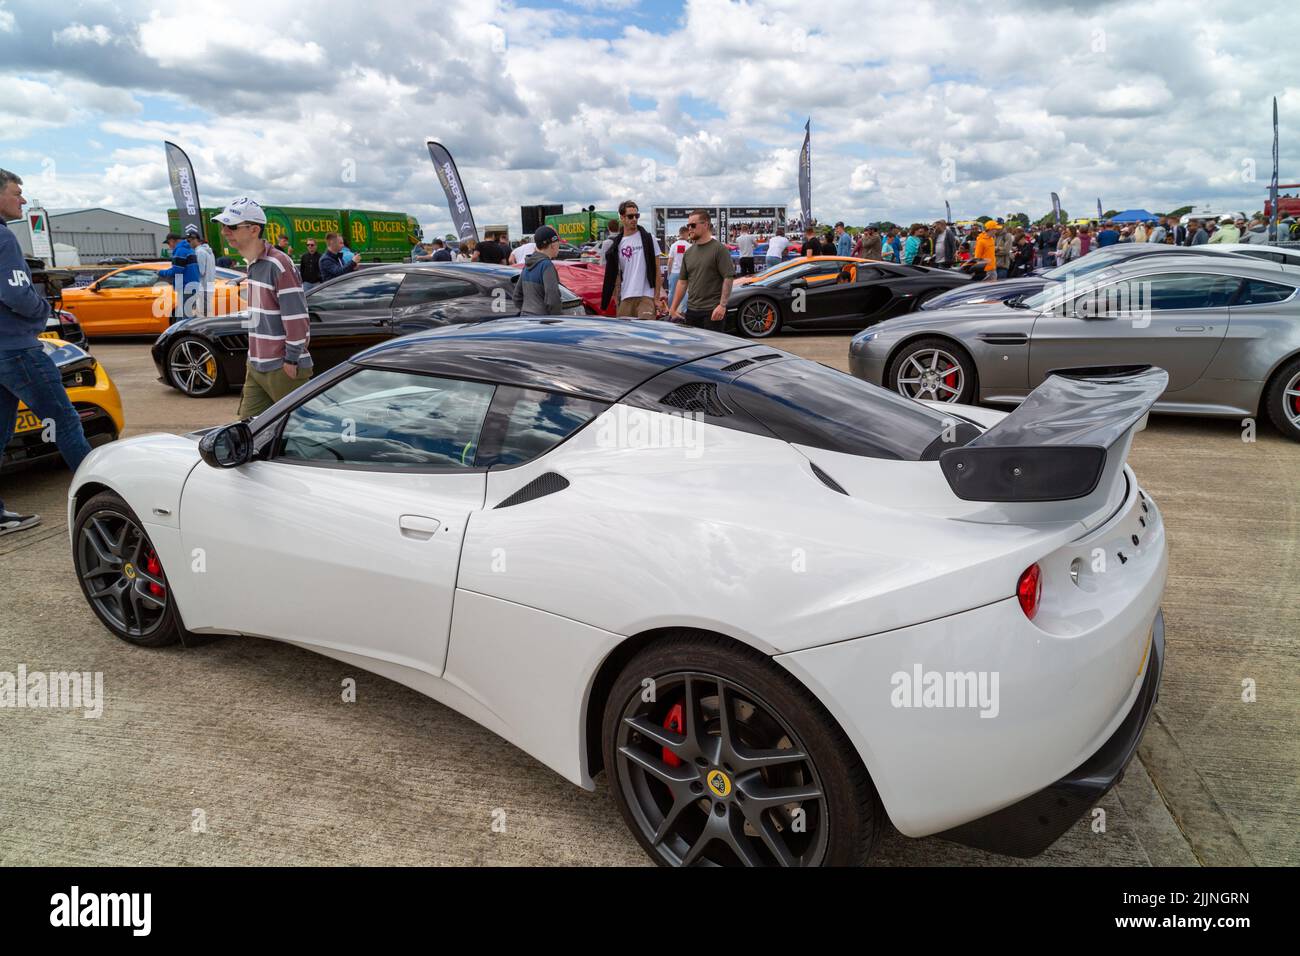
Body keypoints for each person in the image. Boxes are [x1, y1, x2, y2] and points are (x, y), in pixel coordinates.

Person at [0, 168, 94, 536]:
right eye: (16, 192)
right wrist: (43, 312)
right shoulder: (4, 240)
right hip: (18, 350)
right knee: (65, 421)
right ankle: (111, 500)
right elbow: (15, 293)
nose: (22, 200)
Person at [212, 198, 312, 418]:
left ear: (254, 229)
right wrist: (252, 357)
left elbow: (297, 318)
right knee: (247, 431)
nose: (224, 232)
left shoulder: (278, 264)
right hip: (257, 365)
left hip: (282, 367)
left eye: (231, 226)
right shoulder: (254, 264)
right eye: (223, 226)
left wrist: (291, 359)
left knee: (300, 431)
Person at [599, 199, 664, 319]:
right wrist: (615, 298)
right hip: (626, 297)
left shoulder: (649, 239)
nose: (634, 219)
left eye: (637, 216)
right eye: (630, 216)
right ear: (622, 218)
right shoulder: (617, 245)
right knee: (625, 335)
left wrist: (656, 297)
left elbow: (657, 269)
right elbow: (614, 274)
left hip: (646, 296)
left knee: (647, 334)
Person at [670, 209, 733, 331]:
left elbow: (728, 277)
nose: (690, 228)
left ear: (706, 225)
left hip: (713, 312)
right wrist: (673, 308)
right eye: (688, 225)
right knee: (693, 350)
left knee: (712, 349)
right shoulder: (688, 253)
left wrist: (722, 305)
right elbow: (682, 282)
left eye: (693, 225)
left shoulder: (719, 249)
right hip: (692, 311)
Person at [513, 226, 563, 316]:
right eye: (558, 243)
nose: (559, 246)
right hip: (542, 323)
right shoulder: (546, 265)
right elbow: (553, 299)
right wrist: (557, 320)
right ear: (553, 245)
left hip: (526, 320)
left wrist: (528, 312)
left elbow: (517, 297)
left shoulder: (527, 265)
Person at [158, 231, 201, 322]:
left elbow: (177, 270)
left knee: (185, 318)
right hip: (192, 285)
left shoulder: (180, 250)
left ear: (172, 241)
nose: (169, 246)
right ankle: (178, 334)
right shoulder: (189, 249)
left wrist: (161, 272)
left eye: (168, 243)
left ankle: (187, 335)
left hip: (186, 286)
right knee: (182, 316)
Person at [189, 225, 217, 317]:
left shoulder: (199, 252)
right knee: (207, 311)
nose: (189, 243)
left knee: (203, 314)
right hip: (209, 283)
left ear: (195, 240)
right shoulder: (208, 251)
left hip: (203, 285)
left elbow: (200, 271)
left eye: (189, 241)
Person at [666, 226, 691, 314]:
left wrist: (669, 273)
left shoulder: (673, 245)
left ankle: (670, 310)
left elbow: (670, 260)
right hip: (685, 273)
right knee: (685, 292)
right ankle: (684, 311)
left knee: (671, 292)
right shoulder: (689, 246)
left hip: (674, 272)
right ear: (685, 233)